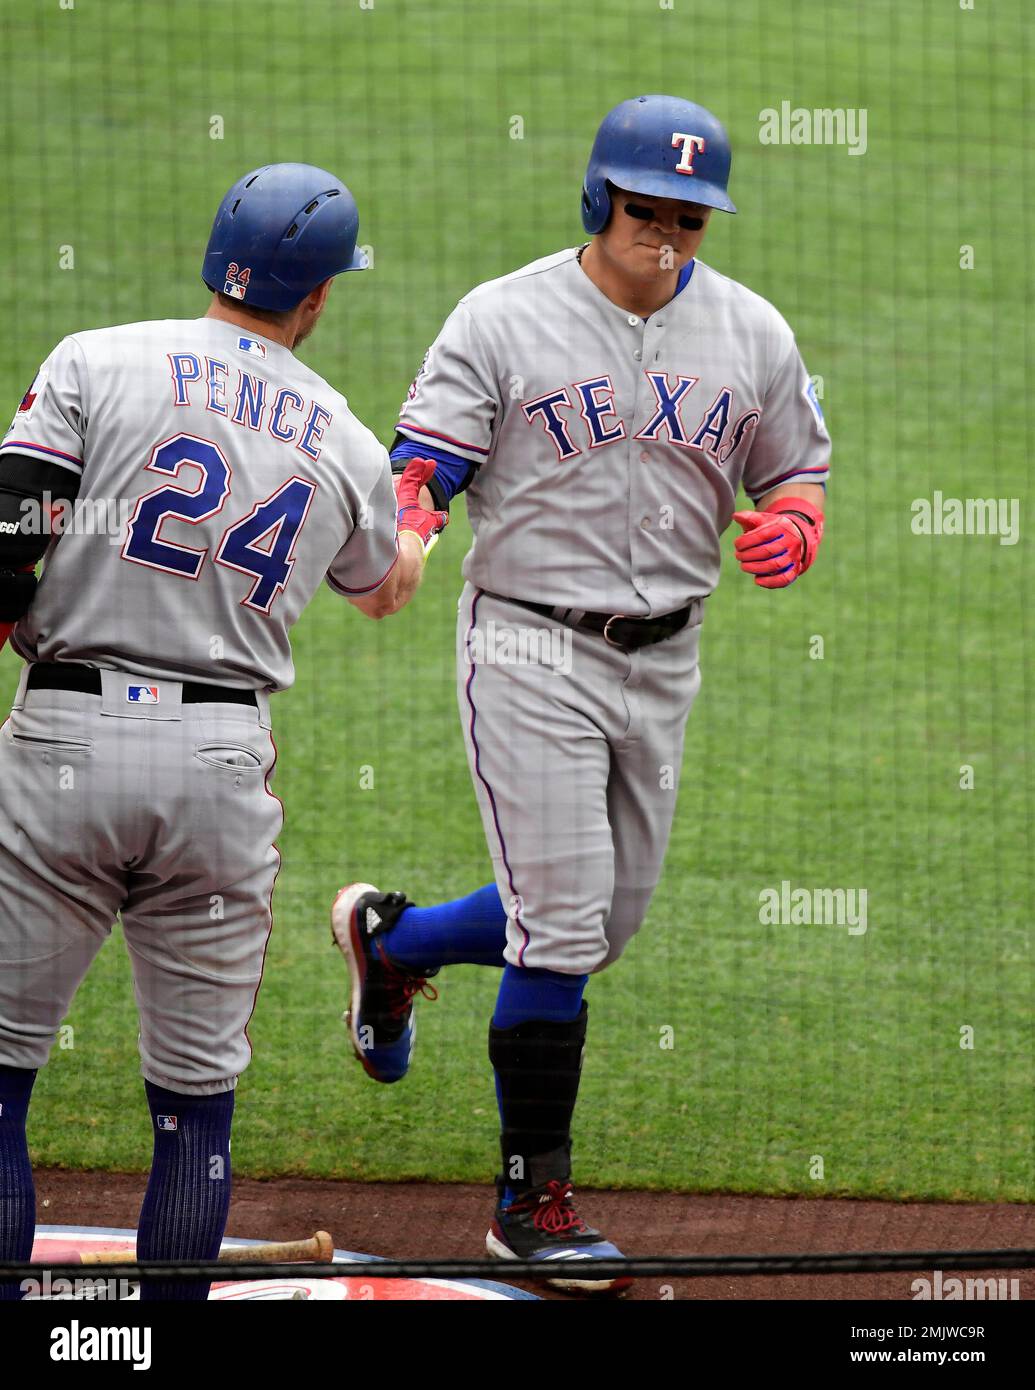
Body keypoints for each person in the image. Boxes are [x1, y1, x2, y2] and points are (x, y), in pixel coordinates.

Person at [331, 94, 830, 1295]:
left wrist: (798, 526)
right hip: (527, 651)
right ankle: (530, 1202)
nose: (666, 234)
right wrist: (410, 518)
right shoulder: (502, 318)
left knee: (599, 928)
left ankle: (393, 944)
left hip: (666, 656)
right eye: (645, 211)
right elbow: (428, 461)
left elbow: (796, 465)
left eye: (690, 217)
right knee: (558, 927)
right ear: (599, 202)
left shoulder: (752, 332)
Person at [0, 162, 442, 1300]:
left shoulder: (96, 360)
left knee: (1, 1078)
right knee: (194, 1104)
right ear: (321, 296)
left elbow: (7, 534)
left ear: (214, 257)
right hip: (216, 769)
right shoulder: (341, 437)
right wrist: (418, 528)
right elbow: (380, 587)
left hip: (62, 745)